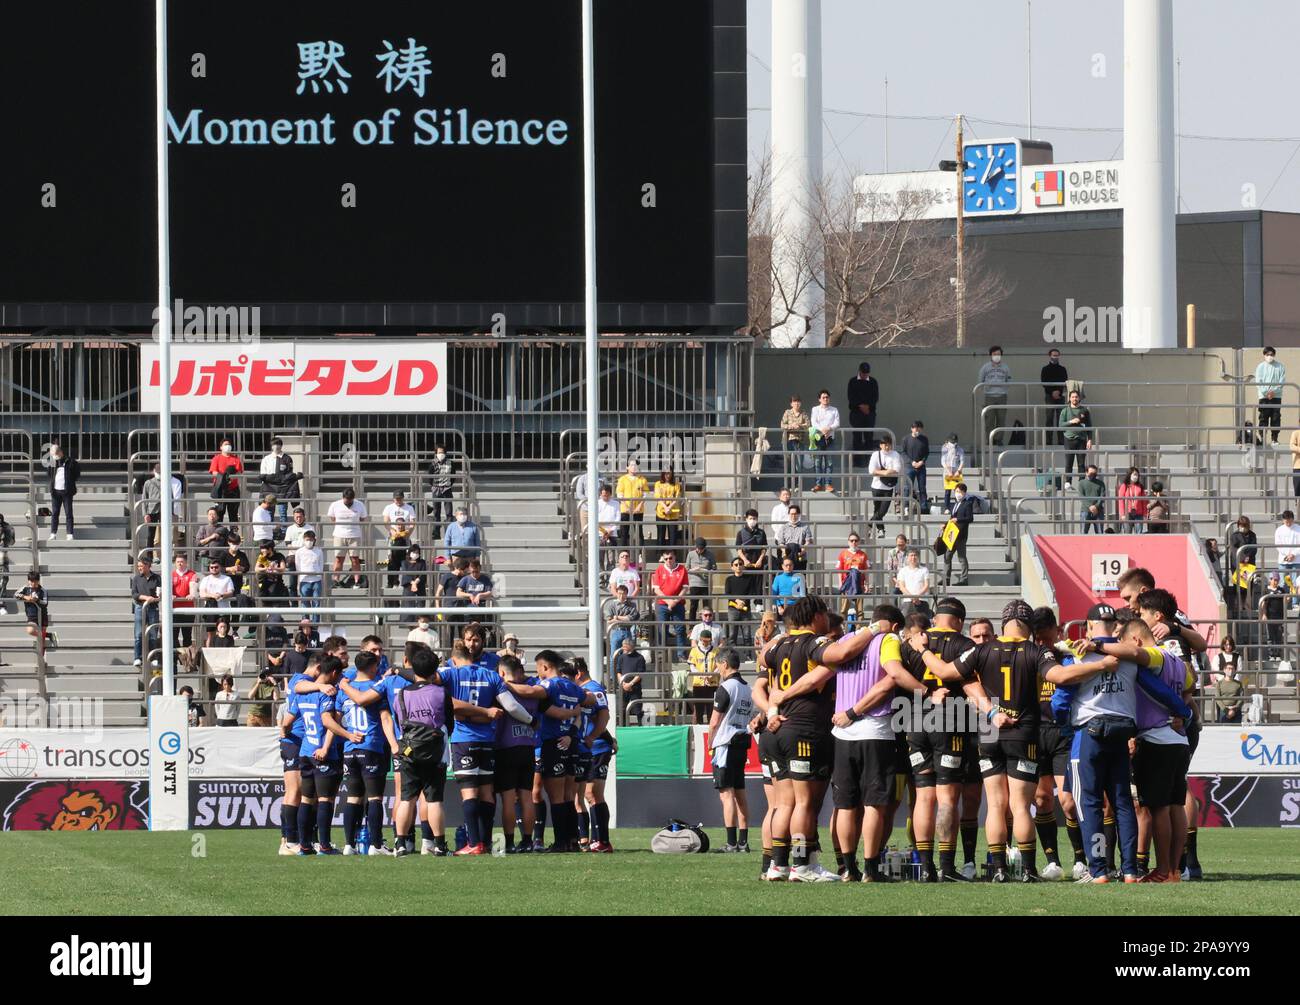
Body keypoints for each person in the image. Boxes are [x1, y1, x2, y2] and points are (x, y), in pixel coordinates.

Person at [755, 597, 919, 882]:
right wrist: (874, 629)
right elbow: (833, 663)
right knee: (813, 804)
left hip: (780, 728)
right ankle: (805, 864)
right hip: (811, 728)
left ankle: (779, 864)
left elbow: (763, 670)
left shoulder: (780, 645)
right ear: (817, 617)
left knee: (787, 804)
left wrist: (771, 708)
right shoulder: (819, 645)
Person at [708, 648, 754, 852]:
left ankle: (731, 842)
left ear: (725, 663)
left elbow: (714, 721)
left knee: (726, 795)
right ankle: (743, 842)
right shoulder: (748, 688)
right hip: (742, 741)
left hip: (725, 743)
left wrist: (710, 743)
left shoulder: (726, 687)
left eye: (718, 664)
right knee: (740, 793)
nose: (717, 668)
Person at [258, 437, 301, 534]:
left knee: (282, 512)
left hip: (283, 489)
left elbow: (289, 474)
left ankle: (284, 532)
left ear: (281, 446)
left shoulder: (287, 458)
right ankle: (270, 531)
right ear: (271, 446)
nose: (276, 446)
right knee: (269, 512)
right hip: (269, 489)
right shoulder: (266, 459)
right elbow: (263, 475)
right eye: (274, 444)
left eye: (278, 444)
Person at [652, 549, 689, 662]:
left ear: (675, 557)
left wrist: (675, 601)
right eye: (666, 558)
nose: (668, 560)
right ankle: (660, 655)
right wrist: (669, 602)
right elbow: (656, 589)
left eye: (670, 558)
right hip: (662, 604)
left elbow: (685, 588)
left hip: (678, 604)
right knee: (661, 630)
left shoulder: (682, 569)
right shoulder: (659, 569)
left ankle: (681, 654)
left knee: (680, 629)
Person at [328, 488, 368, 588]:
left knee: (355, 559)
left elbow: (363, 518)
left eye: (350, 500)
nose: (348, 502)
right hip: (339, 535)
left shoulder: (360, 505)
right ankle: (335, 580)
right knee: (338, 559)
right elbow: (332, 518)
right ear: (343, 498)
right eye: (347, 500)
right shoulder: (335, 505)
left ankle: (357, 581)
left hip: (354, 535)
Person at [141, 462, 183, 551]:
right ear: (154, 471)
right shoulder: (148, 483)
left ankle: (171, 554)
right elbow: (144, 499)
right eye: (158, 472)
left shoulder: (170, 481)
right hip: (152, 510)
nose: (159, 474)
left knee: (169, 532)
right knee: (151, 534)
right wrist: (145, 514)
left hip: (167, 509)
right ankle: (150, 555)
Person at [130, 554, 162, 669]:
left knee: (153, 634)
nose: (139, 568)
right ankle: (137, 658)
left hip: (153, 608)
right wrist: (145, 597)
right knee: (138, 634)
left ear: (148, 566)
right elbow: (134, 594)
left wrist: (155, 598)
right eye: (138, 566)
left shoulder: (157, 578)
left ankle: (153, 657)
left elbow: (160, 594)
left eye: (141, 566)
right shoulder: (136, 579)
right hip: (140, 608)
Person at [846, 362, 880, 468]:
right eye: (863, 373)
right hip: (856, 413)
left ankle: (869, 462)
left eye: (867, 373)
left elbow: (875, 397)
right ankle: (857, 462)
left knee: (869, 436)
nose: (865, 375)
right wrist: (861, 406)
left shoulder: (873, 382)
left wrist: (868, 407)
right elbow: (851, 397)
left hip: (869, 413)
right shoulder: (852, 381)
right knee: (857, 437)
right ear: (859, 371)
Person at [867, 435, 902, 538]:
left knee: (883, 511)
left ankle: (869, 524)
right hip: (876, 486)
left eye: (889, 445)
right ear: (881, 445)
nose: (887, 447)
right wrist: (886, 472)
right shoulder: (875, 455)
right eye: (885, 445)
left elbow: (897, 468)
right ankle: (881, 530)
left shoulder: (895, 454)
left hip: (888, 487)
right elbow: (871, 471)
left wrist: (885, 472)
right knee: (877, 509)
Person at [16, 570, 56, 659]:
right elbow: (16, 594)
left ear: (38, 581)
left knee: (42, 643)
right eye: (31, 581)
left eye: (35, 581)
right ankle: (49, 635)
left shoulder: (43, 590)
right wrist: (25, 597)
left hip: (42, 616)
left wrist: (36, 600)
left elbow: (45, 603)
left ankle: (42, 660)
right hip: (32, 616)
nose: (33, 583)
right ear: (28, 580)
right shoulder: (25, 588)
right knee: (30, 630)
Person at [942, 483, 976, 587]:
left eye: (960, 492)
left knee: (961, 557)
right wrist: (945, 525)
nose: (958, 494)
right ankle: (946, 579)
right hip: (952, 535)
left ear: (964, 493)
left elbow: (970, 518)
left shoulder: (968, 503)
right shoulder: (955, 504)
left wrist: (958, 519)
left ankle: (964, 579)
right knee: (947, 556)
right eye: (956, 491)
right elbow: (952, 518)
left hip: (961, 535)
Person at [978, 346, 1012, 447]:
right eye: (994, 354)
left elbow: (1009, 381)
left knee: (1001, 419)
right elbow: (980, 380)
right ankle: (990, 440)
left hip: (1002, 396)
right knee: (989, 420)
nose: (996, 356)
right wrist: (988, 387)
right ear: (991, 355)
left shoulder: (1005, 367)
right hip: (989, 396)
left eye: (998, 354)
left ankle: (999, 440)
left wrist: (1004, 389)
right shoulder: (985, 367)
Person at [1058, 389, 1093, 487]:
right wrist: (1071, 422)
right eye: (1072, 397)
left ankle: (1081, 482)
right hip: (1069, 438)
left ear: (1079, 398)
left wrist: (1089, 439)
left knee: (1081, 463)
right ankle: (1068, 482)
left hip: (1081, 439)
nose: (1074, 399)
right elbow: (1060, 425)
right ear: (1069, 398)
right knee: (1069, 461)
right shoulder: (1065, 410)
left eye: (1076, 397)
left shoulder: (1084, 410)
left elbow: (1089, 426)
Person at [46, 443, 81, 542]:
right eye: (53, 455)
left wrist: (70, 483)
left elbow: (77, 474)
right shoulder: (53, 463)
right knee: (55, 513)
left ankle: (69, 534)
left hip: (67, 492)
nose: (55, 457)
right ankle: (53, 533)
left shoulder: (71, 462)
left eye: (56, 454)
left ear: (61, 452)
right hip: (56, 492)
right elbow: (49, 474)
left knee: (69, 513)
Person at [809, 390, 841, 493]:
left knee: (829, 462)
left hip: (830, 438)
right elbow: (814, 422)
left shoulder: (834, 410)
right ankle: (818, 484)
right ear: (819, 399)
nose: (825, 399)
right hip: (818, 437)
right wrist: (823, 430)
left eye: (827, 397)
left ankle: (828, 484)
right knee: (817, 462)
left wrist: (829, 428)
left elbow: (837, 423)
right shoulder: (815, 409)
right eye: (823, 397)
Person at [722, 557, 758, 650]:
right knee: (732, 634)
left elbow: (751, 592)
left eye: (741, 564)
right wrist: (736, 600)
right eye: (736, 564)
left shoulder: (749, 579)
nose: (738, 566)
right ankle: (732, 654)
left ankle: (748, 655)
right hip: (732, 609)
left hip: (745, 608)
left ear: (743, 566)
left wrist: (743, 602)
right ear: (732, 567)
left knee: (747, 633)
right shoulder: (729, 579)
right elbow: (727, 594)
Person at [383, 491, 417, 587]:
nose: (398, 501)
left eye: (400, 498)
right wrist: (391, 530)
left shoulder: (409, 508)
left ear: (403, 498)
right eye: (396, 499)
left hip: (404, 537)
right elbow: (386, 521)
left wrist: (408, 533)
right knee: (392, 560)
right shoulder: (389, 507)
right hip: (393, 537)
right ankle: (391, 582)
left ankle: (407, 583)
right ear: (393, 498)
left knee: (406, 560)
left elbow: (412, 522)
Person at [835, 533, 870, 623]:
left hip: (859, 583)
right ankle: (842, 627)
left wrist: (867, 584)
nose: (854, 542)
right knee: (844, 608)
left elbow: (866, 570)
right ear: (848, 542)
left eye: (855, 540)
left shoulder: (863, 555)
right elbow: (839, 569)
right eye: (851, 540)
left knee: (860, 609)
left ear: (858, 542)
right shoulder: (843, 554)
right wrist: (840, 582)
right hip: (847, 584)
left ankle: (858, 628)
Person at [207, 438, 243, 524]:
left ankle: (233, 534)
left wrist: (231, 478)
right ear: (221, 447)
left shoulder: (236, 459)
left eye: (229, 444)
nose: (228, 446)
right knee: (219, 512)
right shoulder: (216, 458)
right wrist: (223, 478)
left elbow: (239, 472)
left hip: (233, 489)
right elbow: (213, 472)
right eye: (225, 444)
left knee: (233, 513)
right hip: (220, 489)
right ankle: (219, 533)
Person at [615, 461, 648, 552]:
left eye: (635, 465)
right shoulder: (622, 479)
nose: (634, 467)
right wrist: (626, 507)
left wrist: (639, 506)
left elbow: (645, 495)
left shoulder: (642, 479)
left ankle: (640, 554)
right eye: (632, 465)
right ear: (627, 467)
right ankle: (623, 553)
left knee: (639, 532)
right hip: (625, 510)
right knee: (624, 532)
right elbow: (619, 494)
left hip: (638, 511)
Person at [1255, 346, 1285, 445]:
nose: (1269, 356)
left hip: (1276, 396)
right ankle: (1263, 438)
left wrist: (1273, 392)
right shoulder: (1260, 367)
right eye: (1267, 355)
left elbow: (1282, 381)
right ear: (1264, 355)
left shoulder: (1280, 366)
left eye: (1271, 355)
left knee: (1275, 417)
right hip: (1264, 397)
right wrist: (1266, 392)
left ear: (1274, 355)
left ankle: (1274, 438)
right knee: (1263, 417)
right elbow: (1258, 382)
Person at [899, 420, 930, 516]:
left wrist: (922, 461)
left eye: (918, 428)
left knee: (922, 488)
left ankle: (924, 507)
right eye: (914, 427)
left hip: (921, 467)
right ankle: (906, 507)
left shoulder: (924, 439)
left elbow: (927, 452)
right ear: (911, 428)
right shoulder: (906, 439)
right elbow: (903, 452)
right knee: (907, 488)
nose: (916, 429)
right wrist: (911, 462)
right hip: (909, 466)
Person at [613, 635, 646, 725]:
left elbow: (640, 674)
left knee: (637, 709)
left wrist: (630, 684)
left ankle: (640, 726)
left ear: (630, 646)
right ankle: (623, 726)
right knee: (622, 709)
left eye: (624, 645)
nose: (623, 647)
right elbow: (618, 671)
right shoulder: (621, 657)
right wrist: (623, 683)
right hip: (623, 687)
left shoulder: (640, 658)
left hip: (635, 687)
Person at [604, 583, 639, 660]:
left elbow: (631, 618)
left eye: (623, 594)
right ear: (616, 593)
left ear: (626, 594)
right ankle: (613, 672)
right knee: (614, 656)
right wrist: (623, 618)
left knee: (628, 655)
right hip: (616, 631)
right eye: (619, 593)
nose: (621, 596)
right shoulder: (612, 605)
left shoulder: (632, 605)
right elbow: (609, 621)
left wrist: (617, 617)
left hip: (627, 631)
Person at [295, 530, 324, 620]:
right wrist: (299, 580)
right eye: (307, 539)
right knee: (304, 603)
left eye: (311, 540)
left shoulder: (319, 551)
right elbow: (298, 566)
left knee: (316, 603)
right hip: (304, 580)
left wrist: (319, 575)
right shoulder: (299, 552)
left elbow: (321, 564)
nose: (309, 542)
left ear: (314, 540)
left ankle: (315, 625)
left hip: (316, 580)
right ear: (304, 540)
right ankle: (305, 623)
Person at [171, 553, 198, 650]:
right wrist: (170, 595)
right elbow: (168, 588)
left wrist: (192, 594)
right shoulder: (171, 574)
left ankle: (188, 661)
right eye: (178, 562)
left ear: (186, 563)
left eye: (182, 562)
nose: (180, 564)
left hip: (188, 609)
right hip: (174, 609)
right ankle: (175, 660)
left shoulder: (192, 574)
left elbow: (193, 587)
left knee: (187, 636)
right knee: (173, 636)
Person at [685, 538, 716, 620]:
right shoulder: (690, 554)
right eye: (698, 548)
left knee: (706, 606)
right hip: (694, 583)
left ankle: (707, 622)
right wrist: (694, 570)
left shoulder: (710, 555)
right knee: (693, 605)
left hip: (706, 584)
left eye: (701, 548)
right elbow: (686, 569)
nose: (699, 550)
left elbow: (714, 569)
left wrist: (706, 570)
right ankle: (692, 626)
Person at [428, 444, 455, 540]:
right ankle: (436, 533)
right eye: (439, 452)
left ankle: (449, 533)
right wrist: (434, 486)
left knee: (449, 512)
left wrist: (449, 484)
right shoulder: (433, 463)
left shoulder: (450, 463)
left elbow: (453, 475)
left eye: (442, 452)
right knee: (436, 512)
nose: (441, 454)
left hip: (447, 489)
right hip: (436, 489)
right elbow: (429, 477)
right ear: (436, 453)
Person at [1041, 348, 1068, 443]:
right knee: (1049, 418)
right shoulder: (1045, 369)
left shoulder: (1062, 369)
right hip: (1049, 396)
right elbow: (1044, 383)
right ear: (1050, 356)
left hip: (1060, 396)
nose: (1055, 357)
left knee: (1061, 419)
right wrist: (1052, 392)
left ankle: (1061, 441)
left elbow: (1065, 382)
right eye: (1054, 355)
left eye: (1057, 355)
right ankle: (1048, 442)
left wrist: (1059, 392)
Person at [774, 504, 812, 571]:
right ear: (788, 514)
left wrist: (801, 553)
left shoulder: (805, 527)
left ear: (798, 514)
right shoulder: (783, 527)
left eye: (795, 514)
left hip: (800, 557)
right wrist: (785, 553)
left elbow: (808, 542)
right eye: (791, 514)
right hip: (787, 558)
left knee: (799, 579)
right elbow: (780, 542)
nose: (793, 516)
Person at [653, 469, 684, 550]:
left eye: (669, 473)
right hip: (661, 512)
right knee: (660, 535)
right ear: (663, 474)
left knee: (673, 535)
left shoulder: (676, 485)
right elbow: (658, 497)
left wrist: (669, 507)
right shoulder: (658, 484)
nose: (668, 475)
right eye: (666, 473)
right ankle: (661, 555)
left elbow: (677, 497)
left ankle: (672, 554)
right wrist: (665, 507)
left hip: (673, 513)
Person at [780, 394, 811, 475]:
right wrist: (791, 426)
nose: (796, 403)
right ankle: (789, 485)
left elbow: (808, 425)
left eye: (798, 401)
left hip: (800, 441)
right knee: (789, 464)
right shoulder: (787, 412)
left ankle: (797, 485)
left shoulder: (803, 413)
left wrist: (799, 426)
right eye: (794, 402)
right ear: (791, 404)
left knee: (799, 464)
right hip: (789, 441)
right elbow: (782, 425)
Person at [735, 509, 769, 581]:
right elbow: (738, 549)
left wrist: (760, 560)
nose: (752, 520)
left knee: (758, 586)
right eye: (750, 518)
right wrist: (745, 560)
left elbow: (764, 548)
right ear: (746, 519)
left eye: (754, 518)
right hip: (745, 562)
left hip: (758, 562)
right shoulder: (740, 533)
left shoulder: (761, 533)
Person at [398, 544, 429, 621]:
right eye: (414, 552)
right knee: (408, 606)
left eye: (417, 552)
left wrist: (416, 582)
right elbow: (405, 574)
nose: (416, 554)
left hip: (420, 586)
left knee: (420, 606)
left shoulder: (422, 562)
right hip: (408, 587)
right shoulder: (404, 562)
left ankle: (420, 622)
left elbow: (423, 573)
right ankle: (408, 624)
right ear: (410, 552)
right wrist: (412, 582)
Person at [1261, 572, 1287, 660]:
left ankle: (1278, 654)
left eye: (1277, 580)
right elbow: (1264, 604)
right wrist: (1264, 614)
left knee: (1279, 636)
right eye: (1274, 580)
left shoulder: (1281, 590)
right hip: (1270, 616)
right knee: (1270, 637)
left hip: (1280, 616)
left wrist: (1289, 598)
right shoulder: (1266, 590)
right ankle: (1271, 654)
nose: (1275, 582)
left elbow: (1285, 601)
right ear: (1270, 580)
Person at [1117, 466, 1147, 533]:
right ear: (1129, 475)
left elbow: (1144, 501)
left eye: (1137, 475)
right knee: (1127, 533)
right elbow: (1121, 501)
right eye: (1134, 474)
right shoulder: (1124, 486)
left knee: (1138, 532)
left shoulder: (1140, 486)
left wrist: (1145, 514)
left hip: (1139, 513)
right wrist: (1122, 514)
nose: (1136, 476)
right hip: (1127, 513)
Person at [1078, 463, 1107, 533]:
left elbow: (1102, 496)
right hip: (1085, 510)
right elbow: (1081, 496)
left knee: (1100, 533)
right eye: (1091, 473)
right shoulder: (1081, 483)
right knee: (1083, 533)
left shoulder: (1101, 483)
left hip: (1098, 510)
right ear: (1086, 472)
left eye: (1094, 474)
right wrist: (1090, 506)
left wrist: (1096, 506)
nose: (1093, 475)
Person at [940, 434, 965, 515]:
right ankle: (947, 508)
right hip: (947, 470)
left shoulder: (960, 449)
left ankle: (959, 507)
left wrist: (959, 470)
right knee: (948, 490)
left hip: (956, 470)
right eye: (952, 442)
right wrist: (948, 471)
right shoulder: (944, 448)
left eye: (955, 442)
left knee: (958, 490)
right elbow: (943, 461)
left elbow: (962, 460)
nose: (953, 444)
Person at [1275, 510, 1300, 583]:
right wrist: (1287, 554)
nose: (1288, 523)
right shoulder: (1279, 530)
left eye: (1290, 521)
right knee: (1283, 583)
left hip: (1296, 560)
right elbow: (1278, 544)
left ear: (1293, 519)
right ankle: (1284, 595)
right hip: (1283, 560)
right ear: (1283, 520)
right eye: (1286, 522)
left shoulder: (1299, 529)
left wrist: (1293, 554)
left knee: (1296, 583)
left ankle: (1294, 595)